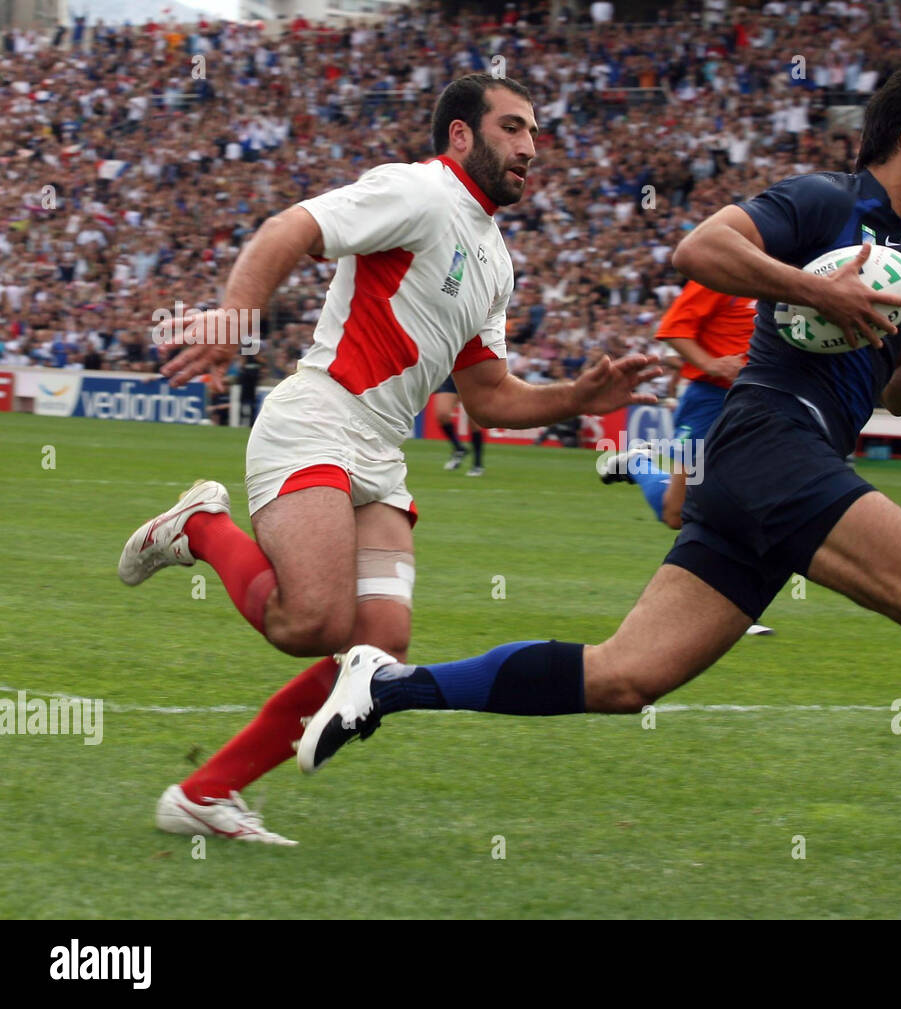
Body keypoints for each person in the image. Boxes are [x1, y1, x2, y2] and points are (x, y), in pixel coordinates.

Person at [298, 69, 901, 890]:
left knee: (625, 676)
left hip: (780, 465)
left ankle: (388, 687)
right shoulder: (824, 202)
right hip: (771, 442)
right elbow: (697, 246)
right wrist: (812, 288)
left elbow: (896, 391)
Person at [116, 73, 661, 844]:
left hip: (377, 454)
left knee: (375, 654)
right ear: (462, 135)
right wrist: (237, 312)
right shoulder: (420, 192)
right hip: (318, 421)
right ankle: (201, 524)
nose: (531, 148)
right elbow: (290, 226)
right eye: (513, 128)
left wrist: (577, 397)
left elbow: (490, 396)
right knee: (311, 620)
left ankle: (204, 792)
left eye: (535, 133)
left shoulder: (496, 260)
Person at [598, 279, 772, 634]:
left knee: (745, 502)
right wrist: (712, 364)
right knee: (676, 512)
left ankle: (731, 605)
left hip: (757, 405)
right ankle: (636, 463)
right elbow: (673, 330)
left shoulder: (787, 273)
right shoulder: (722, 273)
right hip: (707, 404)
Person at [434, 375, 485, 475]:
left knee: (474, 422)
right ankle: (459, 448)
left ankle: (477, 464)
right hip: (451, 375)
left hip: (471, 375)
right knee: (442, 414)